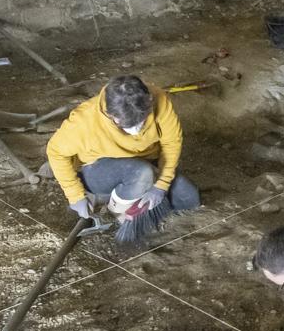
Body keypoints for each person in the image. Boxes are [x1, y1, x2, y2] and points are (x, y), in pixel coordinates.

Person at [46, 75, 199, 243]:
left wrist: (161, 185)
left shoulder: (160, 100)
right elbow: (55, 152)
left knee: (189, 198)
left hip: (146, 161)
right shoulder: (84, 121)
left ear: (149, 100)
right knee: (140, 172)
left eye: (141, 121)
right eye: (127, 126)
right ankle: (114, 213)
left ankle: (133, 194)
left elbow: (171, 142)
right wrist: (75, 196)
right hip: (99, 170)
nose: (136, 130)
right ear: (110, 114)